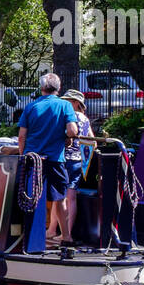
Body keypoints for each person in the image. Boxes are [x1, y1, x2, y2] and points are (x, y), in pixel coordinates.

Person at [17, 72, 78, 252]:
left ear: (41, 87)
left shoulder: (30, 107)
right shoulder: (65, 105)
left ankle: (30, 238)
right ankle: (66, 237)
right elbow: (73, 130)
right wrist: (66, 137)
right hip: (55, 160)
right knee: (60, 199)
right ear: (58, 88)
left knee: (31, 196)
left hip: (32, 160)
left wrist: (23, 156)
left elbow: (22, 136)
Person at [47, 90, 94, 242]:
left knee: (58, 196)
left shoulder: (68, 116)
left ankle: (53, 230)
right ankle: (66, 232)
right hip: (78, 161)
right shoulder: (85, 118)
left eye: (68, 100)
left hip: (63, 158)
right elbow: (93, 140)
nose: (65, 102)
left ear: (75, 103)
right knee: (71, 197)